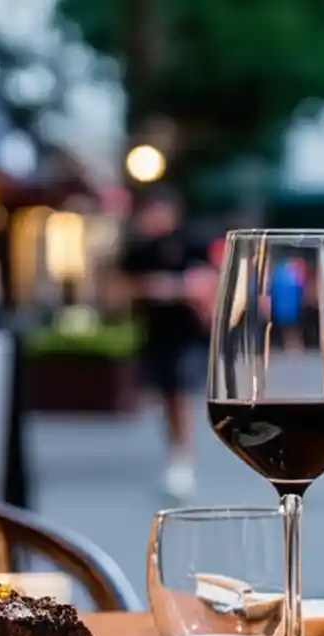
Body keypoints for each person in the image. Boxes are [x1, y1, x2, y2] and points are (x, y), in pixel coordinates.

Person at [118, 187, 214, 499]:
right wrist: (149, 288)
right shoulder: (138, 249)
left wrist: (174, 288)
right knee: (166, 396)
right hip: (154, 332)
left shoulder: (189, 243)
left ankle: (183, 457)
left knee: (179, 392)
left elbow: (206, 281)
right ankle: (176, 451)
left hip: (186, 333)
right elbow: (118, 286)